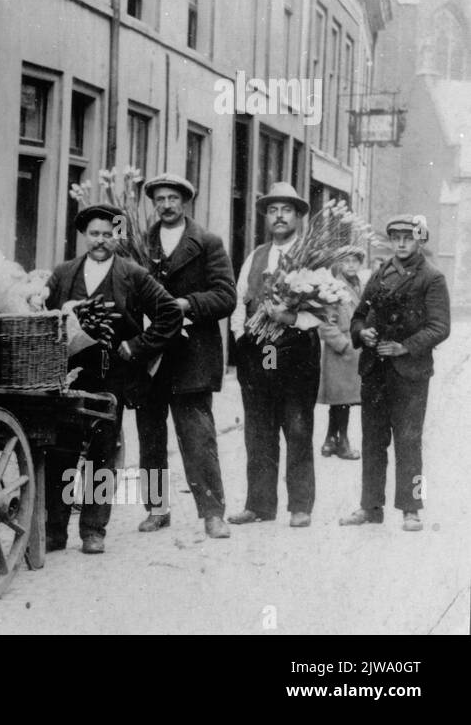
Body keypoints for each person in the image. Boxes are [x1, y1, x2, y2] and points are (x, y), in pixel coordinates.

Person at [44, 204, 182, 554]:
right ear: (84, 236)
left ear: (117, 236)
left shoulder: (132, 274)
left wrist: (135, 347)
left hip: (111, 376)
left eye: (108, 234)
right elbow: (43, 314)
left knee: (103, 453)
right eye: (94, 234)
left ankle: (93, 530)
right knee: (62, 450)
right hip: (69, 374)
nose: (101, 241)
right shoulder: (63, 273)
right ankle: (54, 529)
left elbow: (168, 313)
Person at [136, 174, 236, 539]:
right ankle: (156, 508)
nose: (166, 205)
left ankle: (212, 512)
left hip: (191, 353)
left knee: (197, 436)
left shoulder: (207, 242)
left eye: (173, 198)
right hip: (151, 353)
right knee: (149, 433)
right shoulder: (141, 242)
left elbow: (226, 296)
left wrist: (185, 304)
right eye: (159, 198)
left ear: (185, 201)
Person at [341, 215, 450, 532]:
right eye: (396, 237)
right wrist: (363, 335)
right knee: (373, 441)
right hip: (375, 370)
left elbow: (440, 327)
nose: (401, 242)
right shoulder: (379, 274)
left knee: (409, 441)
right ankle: (370, 507)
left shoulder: (432, 277)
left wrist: (405, 347)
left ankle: (412, 509)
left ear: (420, 240)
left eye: (409, 237)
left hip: (410, 373)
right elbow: (359, 316)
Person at [228, 182, 321, 528]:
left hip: (297, 354)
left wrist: (292, 319)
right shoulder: (257, 255)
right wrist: (240, 336)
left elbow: (325, 312)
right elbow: (240, 299)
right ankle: (260, 505)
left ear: (297, 215)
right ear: (266, 217)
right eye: (272, 210)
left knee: (296, 427)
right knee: (259, 429)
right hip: (261, 353)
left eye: (286, 210)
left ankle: (300, 505)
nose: (279, 216)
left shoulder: (312, 257)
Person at [317, 248, 366, 460]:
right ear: (340, 264)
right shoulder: (333, 288)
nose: (351, 265)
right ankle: (342, 443)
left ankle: (329, 440)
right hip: (341, 352)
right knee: (342, 400)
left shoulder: (359, 286)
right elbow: (325, 325)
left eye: (355, 261)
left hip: (352, 351)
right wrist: (344, 346)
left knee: (342, 401)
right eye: (346, 261)